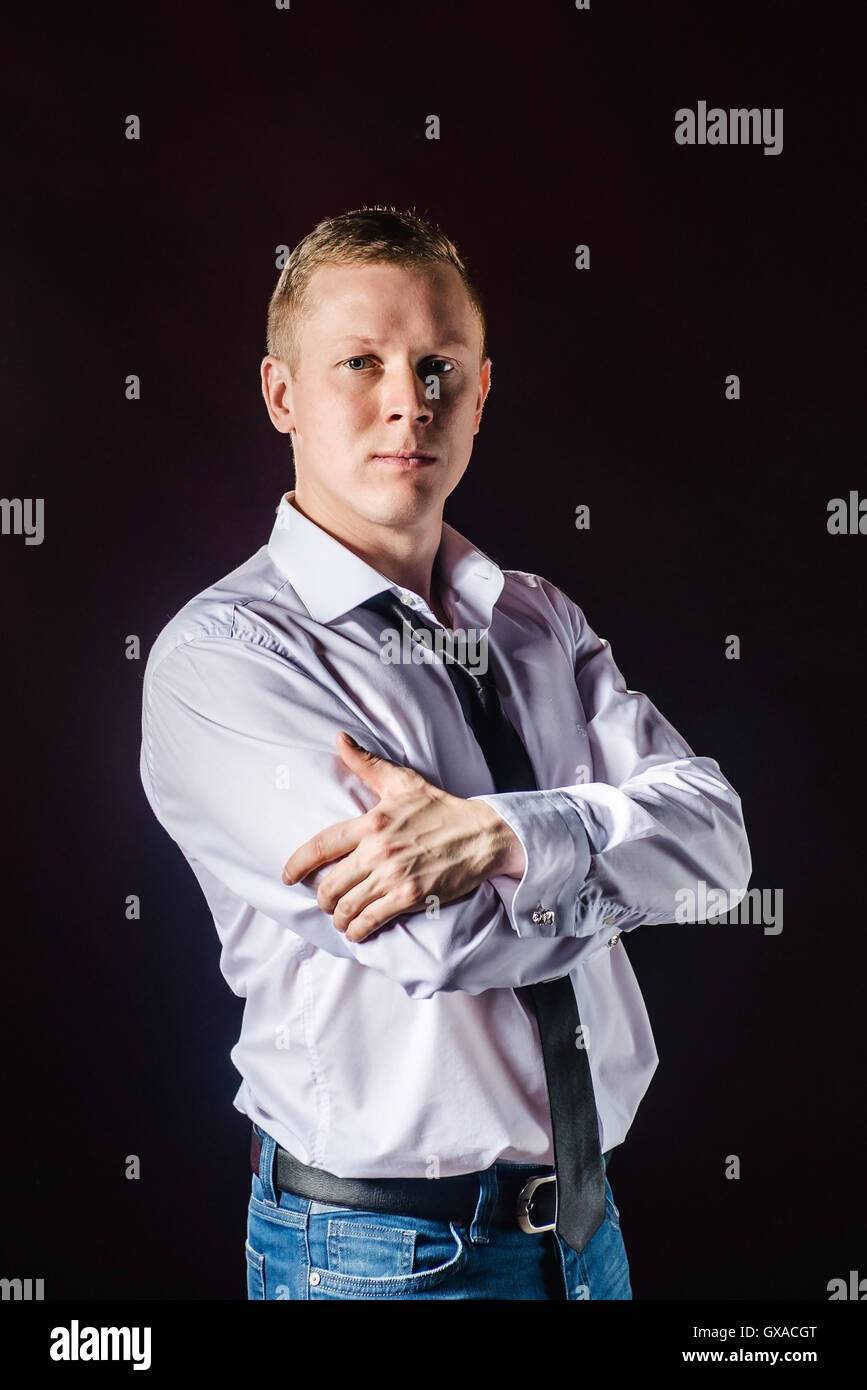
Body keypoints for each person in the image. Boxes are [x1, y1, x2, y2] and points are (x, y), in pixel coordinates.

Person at [139, 205, 751, 1301]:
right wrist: (607, 846)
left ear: (480, 390)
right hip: (382, 1260)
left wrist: (507, 835)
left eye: (439, 365)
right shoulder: (221, 659)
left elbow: (719, 843)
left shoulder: (534, 620)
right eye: (360, 362)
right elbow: (439, 942)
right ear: (281, 394)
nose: (406, 401)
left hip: (586, 1231)